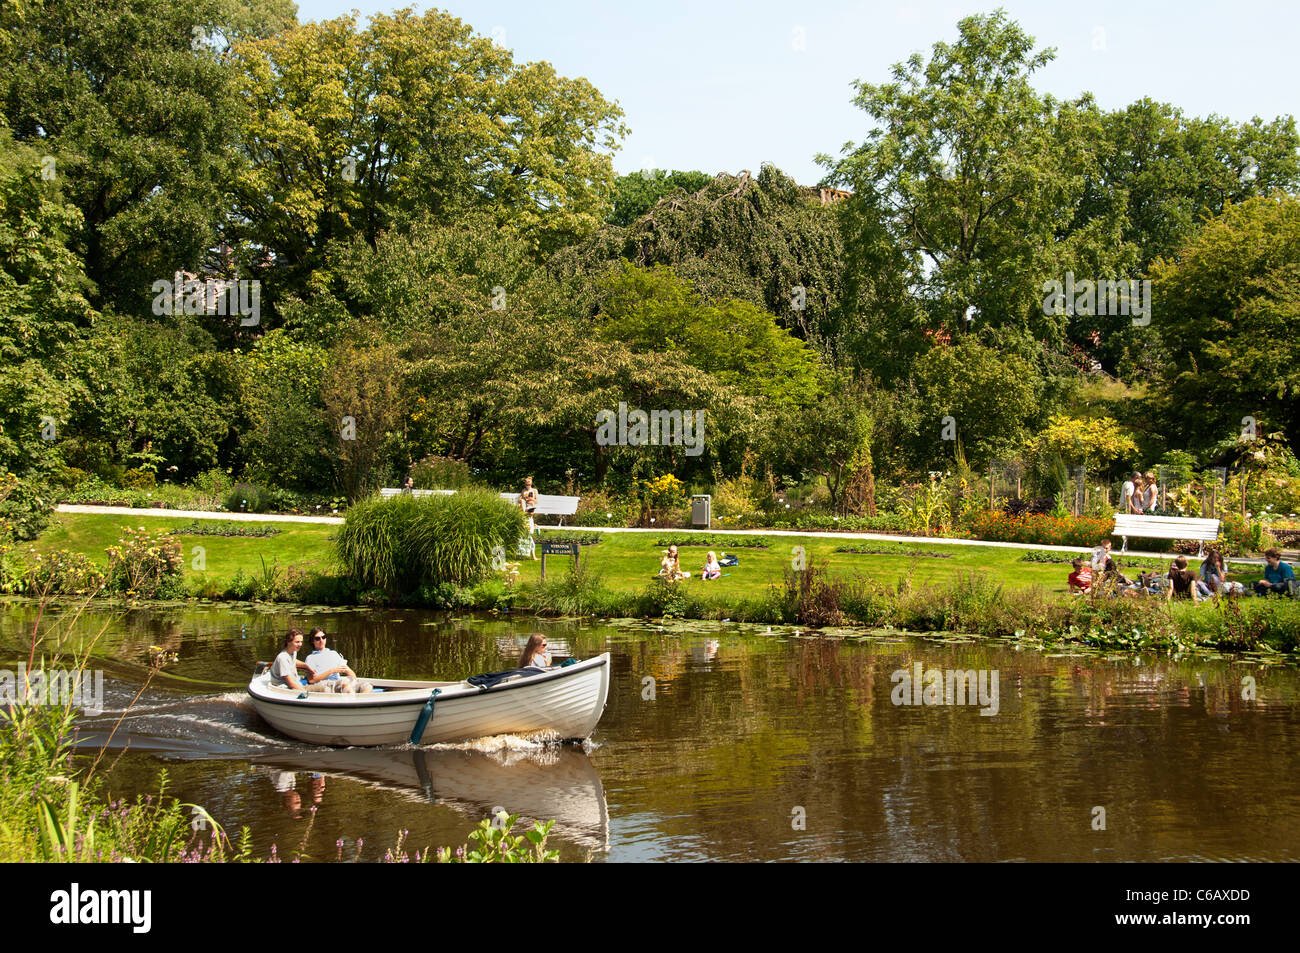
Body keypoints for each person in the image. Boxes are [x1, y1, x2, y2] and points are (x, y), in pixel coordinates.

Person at [304, 628, 373, 693]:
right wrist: (332, 671)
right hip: (326, 683)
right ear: (312, 641)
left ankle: (361, 702)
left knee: (366, 685)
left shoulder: (334, 653)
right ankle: (352, 702)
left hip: (339, 682)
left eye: (323, 637)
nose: (321, 640)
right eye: (317, 638)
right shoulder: (310, 658)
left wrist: (347, 670)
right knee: (344, 682)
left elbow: (353, 677)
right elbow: (311, 680)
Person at [518, 477, 540, 560]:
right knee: (527, 534)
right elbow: (521, 501)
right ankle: (531, 555)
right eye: (527, 484)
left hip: (531, 511)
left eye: (529, 484)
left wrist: (530, 499)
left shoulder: (534, 491)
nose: (528, 486)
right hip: (525, 512)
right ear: (525, 484)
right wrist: (523, 499)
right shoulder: (523, 491)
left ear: (531, 484)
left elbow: (536, 502)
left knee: (529, 534)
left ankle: (529, 555)